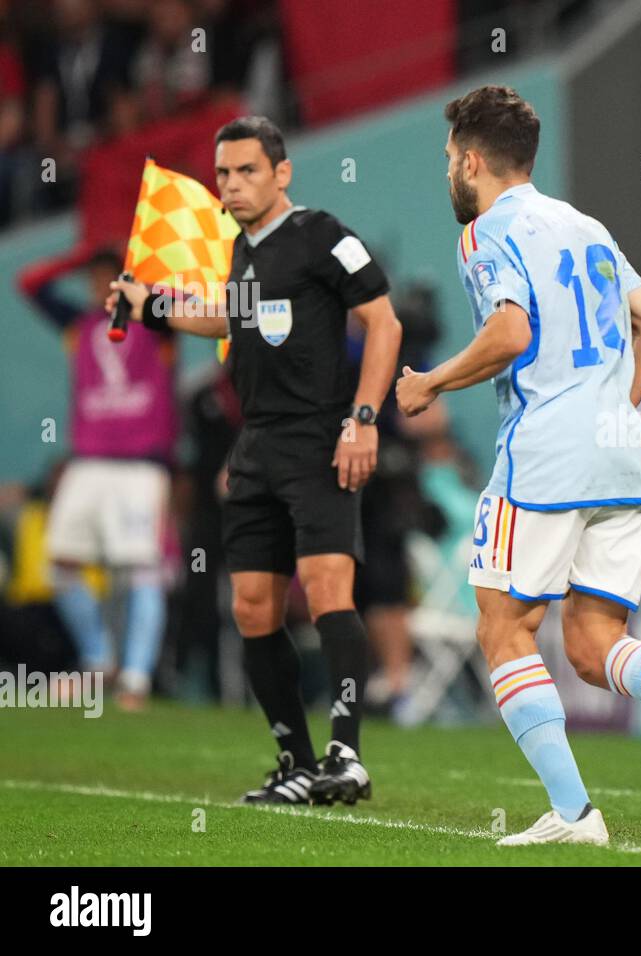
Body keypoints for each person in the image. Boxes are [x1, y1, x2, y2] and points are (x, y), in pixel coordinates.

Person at [396, 85, 641, 846]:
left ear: (472, 160)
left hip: (545, 452)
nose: (449, 173)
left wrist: (431, 381)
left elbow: (509, 333)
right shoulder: (587, 226)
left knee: (503, 628)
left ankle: (575, 815)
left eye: (449, 160)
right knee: (591, 640)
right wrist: (611, 407)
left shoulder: (483, 233)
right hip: (622, 457)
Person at [107, 116, 403, 805]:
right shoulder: (242, 253)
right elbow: (229, 317)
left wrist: (362, 420)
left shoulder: (324, 235)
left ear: (282, 172)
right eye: (224, 175)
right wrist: (151, 306)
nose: (233, 186)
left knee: (329, 589)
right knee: (250, 606)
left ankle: (347, 757)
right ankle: (296, 763)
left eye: (246, 171)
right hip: (257, 444)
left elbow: (383, 322)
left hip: (320, 438)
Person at [18, 244, 177, 711]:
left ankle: (136, 678)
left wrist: (140, 275)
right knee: (60, 562)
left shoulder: (159, 327)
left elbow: (188, 298)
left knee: (141, 568)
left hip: (141, 466)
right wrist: (82, 254)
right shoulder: (78, 326)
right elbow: (28, 282)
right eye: (96, 280)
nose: (102, 289)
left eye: (112, 280)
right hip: (87, 462)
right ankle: (98, 658)